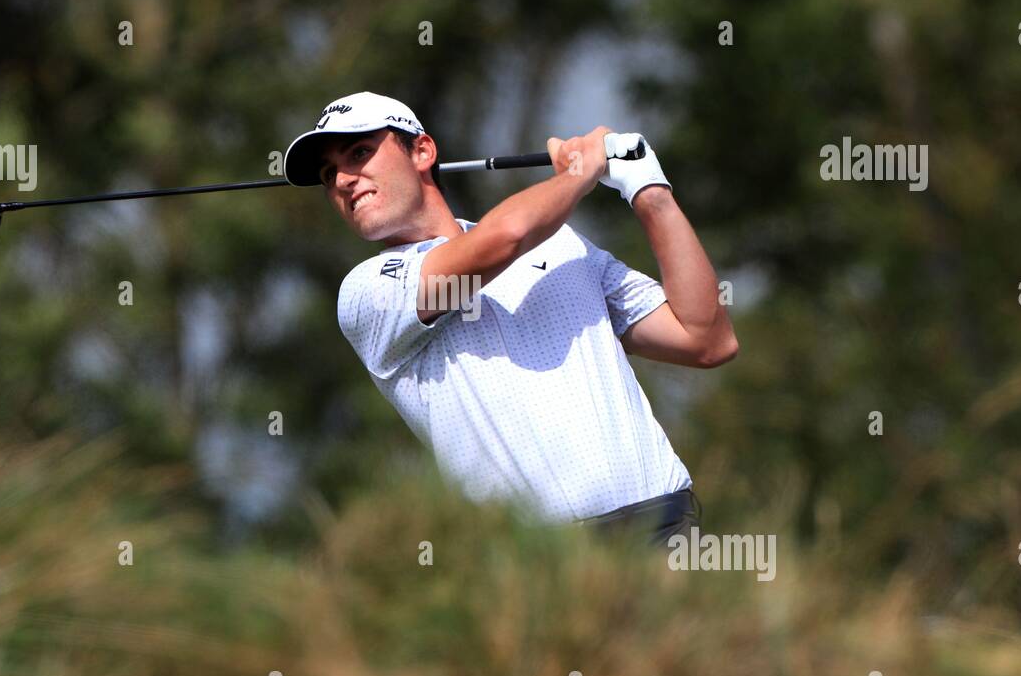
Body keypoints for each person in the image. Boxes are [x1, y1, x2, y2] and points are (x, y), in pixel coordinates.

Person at [284, 92, 737, 543]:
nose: (342, 180)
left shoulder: (563, 245)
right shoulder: (369, 292)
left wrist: (648, 190)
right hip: (540, 562)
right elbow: (506, 239)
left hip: (665, 527)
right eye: (328, 175)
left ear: (422, 151)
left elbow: (705, 340)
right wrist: (582, 171)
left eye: (359, 154)